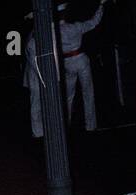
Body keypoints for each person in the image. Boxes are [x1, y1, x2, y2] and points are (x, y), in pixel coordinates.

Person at [25, 0, 110, 137]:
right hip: (80, 60)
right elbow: (94, 22)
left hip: (66, 63)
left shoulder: (52, 31)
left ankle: (66, 123)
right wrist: (101, 6)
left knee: (69, 96)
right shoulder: (74, 27)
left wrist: (34, 17)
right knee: (88, 93)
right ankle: (90, 125)